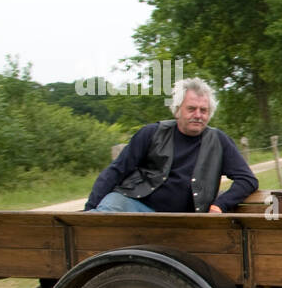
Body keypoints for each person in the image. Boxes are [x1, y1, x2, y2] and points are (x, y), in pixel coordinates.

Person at [85, 78, 258, 213]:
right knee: (102, 222)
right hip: (132, 204)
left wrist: (219, 205)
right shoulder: (151, 133)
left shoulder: (218, 141)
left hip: (178, 221)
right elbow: (116, 171)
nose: (198, 115)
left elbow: (248, 180)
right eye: (191, 109)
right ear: (177, 110)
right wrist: (87, 212)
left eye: (203, 110)